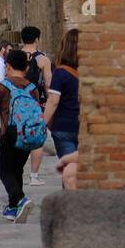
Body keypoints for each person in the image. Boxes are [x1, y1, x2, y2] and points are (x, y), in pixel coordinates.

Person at [0, 48, 43, 222]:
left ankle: (21, 198)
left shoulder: (2, 86)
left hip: (9, 135)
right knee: (17, 171)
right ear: (27, 68)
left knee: (4, 170)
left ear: (7, 66)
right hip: (28, 135)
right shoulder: (32, 88)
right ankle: (13, 208)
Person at [45, 28, 80, 190]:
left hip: (64, 127)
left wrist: (42, 123)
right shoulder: (90, 72)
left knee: (69, 170)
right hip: (85, 128)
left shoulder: (60, 73)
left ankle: (70, 205)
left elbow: (53, 101)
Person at [20, 26, 53, 185]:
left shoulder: (14, 56)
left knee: (18, 138)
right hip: (34, 102)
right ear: (37, 39)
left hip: (16, 101)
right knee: (36, 139)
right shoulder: (42, 59)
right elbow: (48, 84)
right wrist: (49, 101)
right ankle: (33, 176)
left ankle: (16, 174)